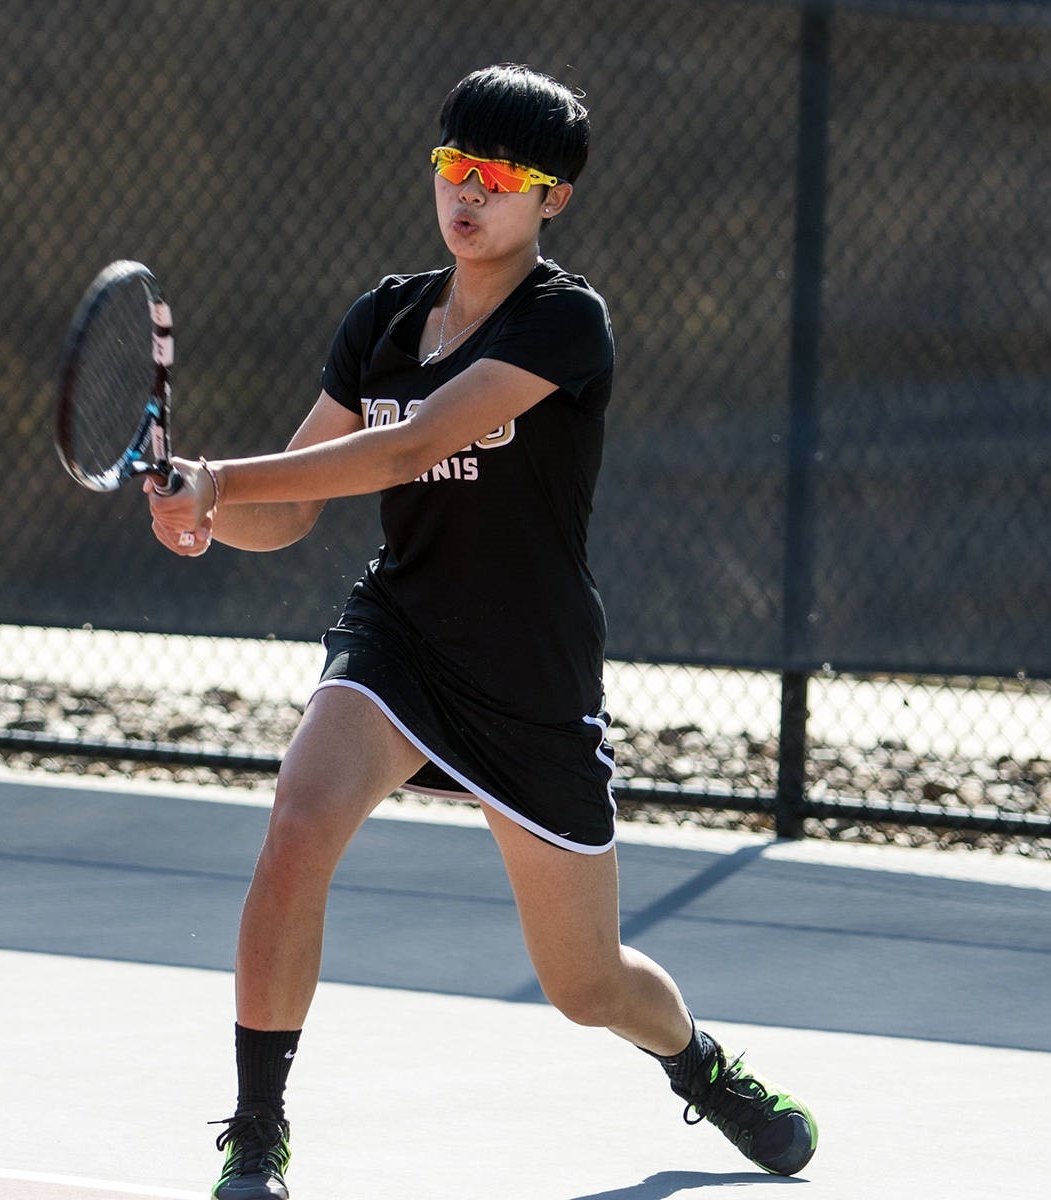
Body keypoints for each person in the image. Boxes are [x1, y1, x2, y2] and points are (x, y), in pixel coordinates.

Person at [146, 63, 818, 1199]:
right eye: (454, 167)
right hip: (399, 634)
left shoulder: (565, 322)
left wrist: (222, 477)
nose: (469, 194)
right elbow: (299, 506)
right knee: (297, 824)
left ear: (552, 200)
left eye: (501, 178)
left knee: (586, 984)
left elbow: (405, 451)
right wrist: (208, 512)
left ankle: (696, 1064)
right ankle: (255, 1135)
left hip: (530, 675)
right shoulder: (385, 318)